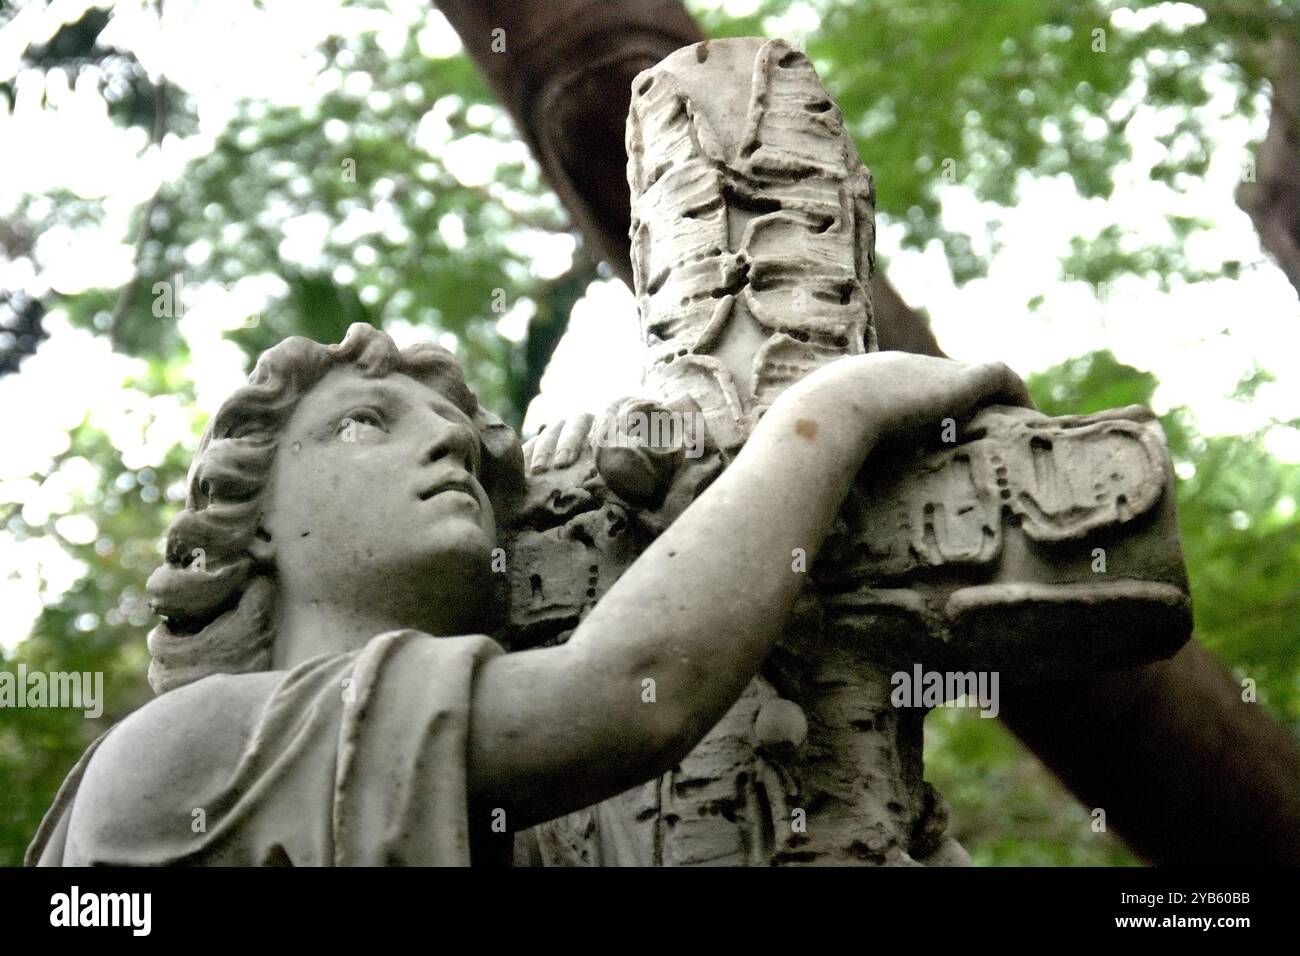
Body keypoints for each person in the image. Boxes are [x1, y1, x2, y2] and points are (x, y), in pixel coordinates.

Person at [27, 322, 1029, 866]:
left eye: (454, 428)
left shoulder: (537, 821)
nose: (447, 440)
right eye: (364, 423)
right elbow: (632, 688)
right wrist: (829, 412)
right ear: (254, 526)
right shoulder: (177, 751)